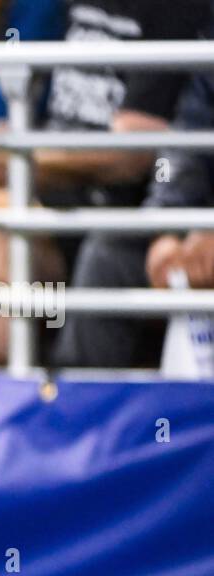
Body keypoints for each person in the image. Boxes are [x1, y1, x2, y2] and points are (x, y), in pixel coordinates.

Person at [0, 0, 208, 365]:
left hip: (107, 204)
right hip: (40, 192)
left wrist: (17, 158)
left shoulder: (175, 10)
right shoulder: (70, 5)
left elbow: (131, 155)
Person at [54, 64, 214, 368]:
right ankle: (85, 406)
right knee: (109, 252)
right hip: (198, 228)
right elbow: (179, 150)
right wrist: (166, 227)